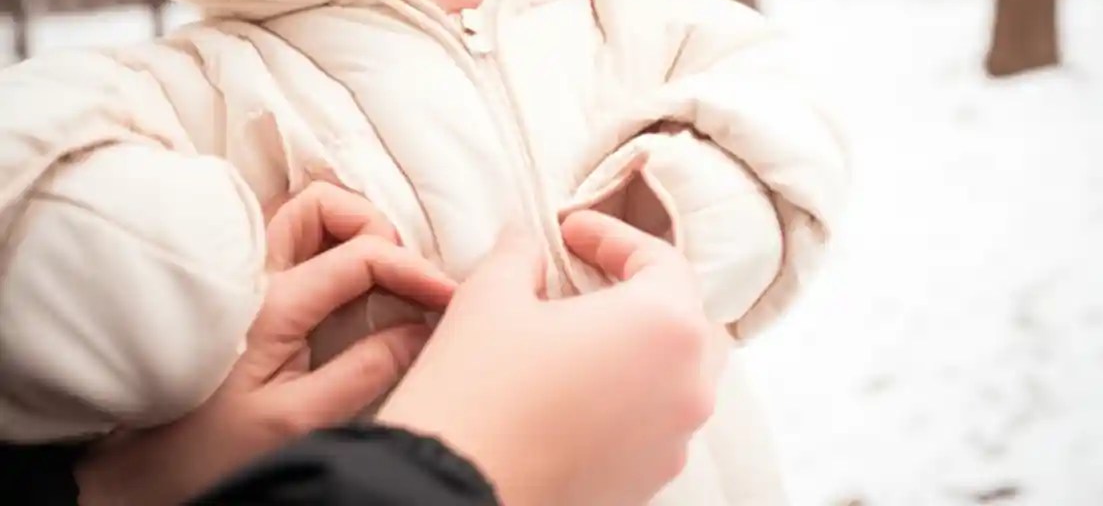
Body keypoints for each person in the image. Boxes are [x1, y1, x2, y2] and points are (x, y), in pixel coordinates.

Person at [0, 0, 851, 502]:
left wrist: (691, 204)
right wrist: (138, 270)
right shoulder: (212, 81)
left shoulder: (642, 22)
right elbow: (30, 155)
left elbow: (780, 115)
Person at [7, 187, 727, 506]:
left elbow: (771, 136)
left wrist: (122, 488)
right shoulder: (199, 76)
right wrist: (481, 458)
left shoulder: (629, 15)